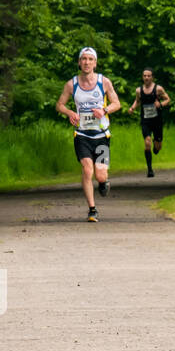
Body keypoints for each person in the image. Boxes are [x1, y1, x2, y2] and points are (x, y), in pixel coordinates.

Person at [55, 47, 121, 223]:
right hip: (82, 134)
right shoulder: (72, 84)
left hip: (101, 135)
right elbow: (59, 105)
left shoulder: (104, 82)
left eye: (90, 59)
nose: (86, 62)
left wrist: (104, 110)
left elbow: (117, 104)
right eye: (83, 59)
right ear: (79, 62)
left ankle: (103, 182)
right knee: (87, 169)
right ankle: (92, 209)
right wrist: (70, 113)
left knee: (100, 174)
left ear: (95, 63)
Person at [127, 68, 171, 177]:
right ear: (142, 77)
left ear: (152, 77)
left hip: (157, 120)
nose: (146, 78)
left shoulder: (158, 89)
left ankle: (156, 148)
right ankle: (150, 169)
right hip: (145, 120)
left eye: (149, 76)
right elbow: (137, 101)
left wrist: (160, 105)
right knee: (147, 142)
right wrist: (132, 108)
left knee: (157, 147)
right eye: (144, 76)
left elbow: (168, 99)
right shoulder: (139, 90)